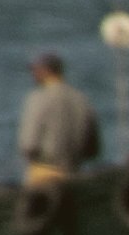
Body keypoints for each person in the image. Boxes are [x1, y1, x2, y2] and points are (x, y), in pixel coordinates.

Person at [17, 50, 99, 183]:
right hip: (74, 175)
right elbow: (93, 150)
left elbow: (28, 144)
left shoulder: (38, 98)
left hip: (44, 175)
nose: (33, 74)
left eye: (35, 70)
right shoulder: (81, 99)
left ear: (44, 71)